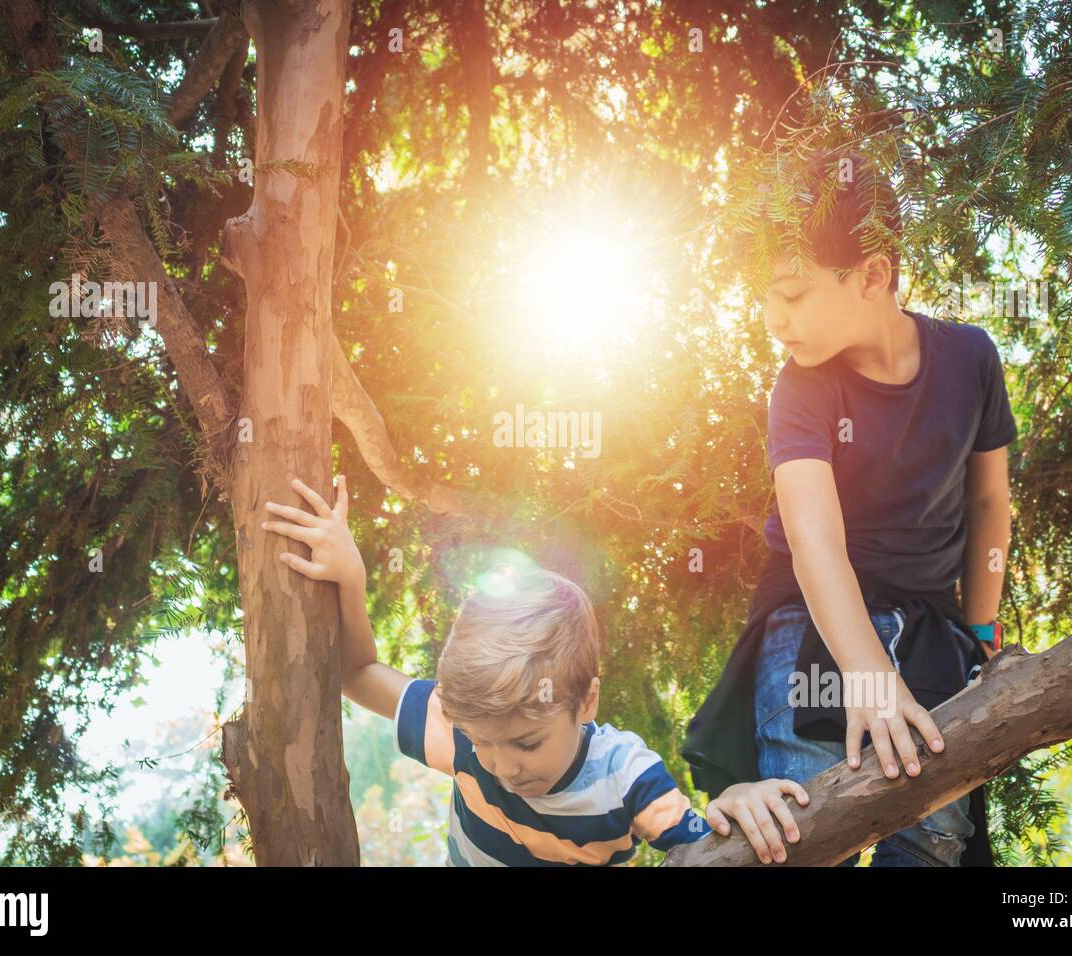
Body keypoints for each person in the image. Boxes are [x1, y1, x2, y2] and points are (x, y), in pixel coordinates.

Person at [683, 151, 1018, 866]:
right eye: (765, 297)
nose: (774, 320)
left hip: (930, 632)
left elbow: (990, 501)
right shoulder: (801, 389)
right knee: (807, 827)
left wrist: (983, 629)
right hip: (810, 630)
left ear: (873, 274)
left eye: (794, 295)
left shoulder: (971, 358)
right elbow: (815, 547)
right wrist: (867, 676)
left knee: (932, 835)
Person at [262, 475, 811, 865]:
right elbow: (357, 672)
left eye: (525, 743)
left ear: (587, 703)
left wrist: (734, 800)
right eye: (484, 743)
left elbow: (699, 844)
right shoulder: (460, 732)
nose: (503, 767)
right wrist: (351, 578)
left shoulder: (625, 776)